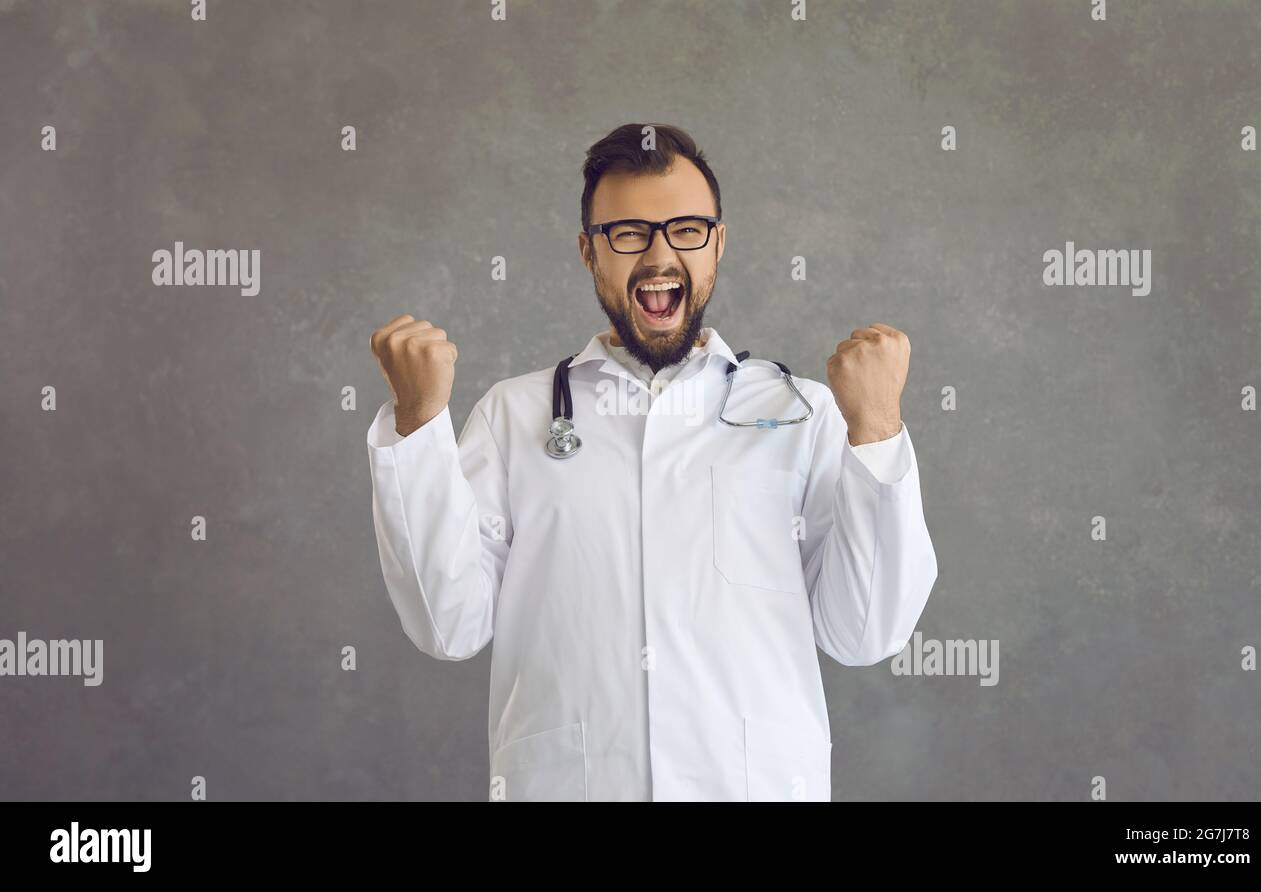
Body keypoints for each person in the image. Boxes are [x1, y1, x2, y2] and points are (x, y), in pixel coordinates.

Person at [365, 123, 938, 801]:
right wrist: (417, 421)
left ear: (718, 243)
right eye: (628, 233)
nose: (660, 254)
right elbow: (447, 625)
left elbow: (865, 632)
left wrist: (874, 428)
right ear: (589, 252)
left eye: (687, 229)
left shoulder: (802, 414)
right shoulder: (512, 417)